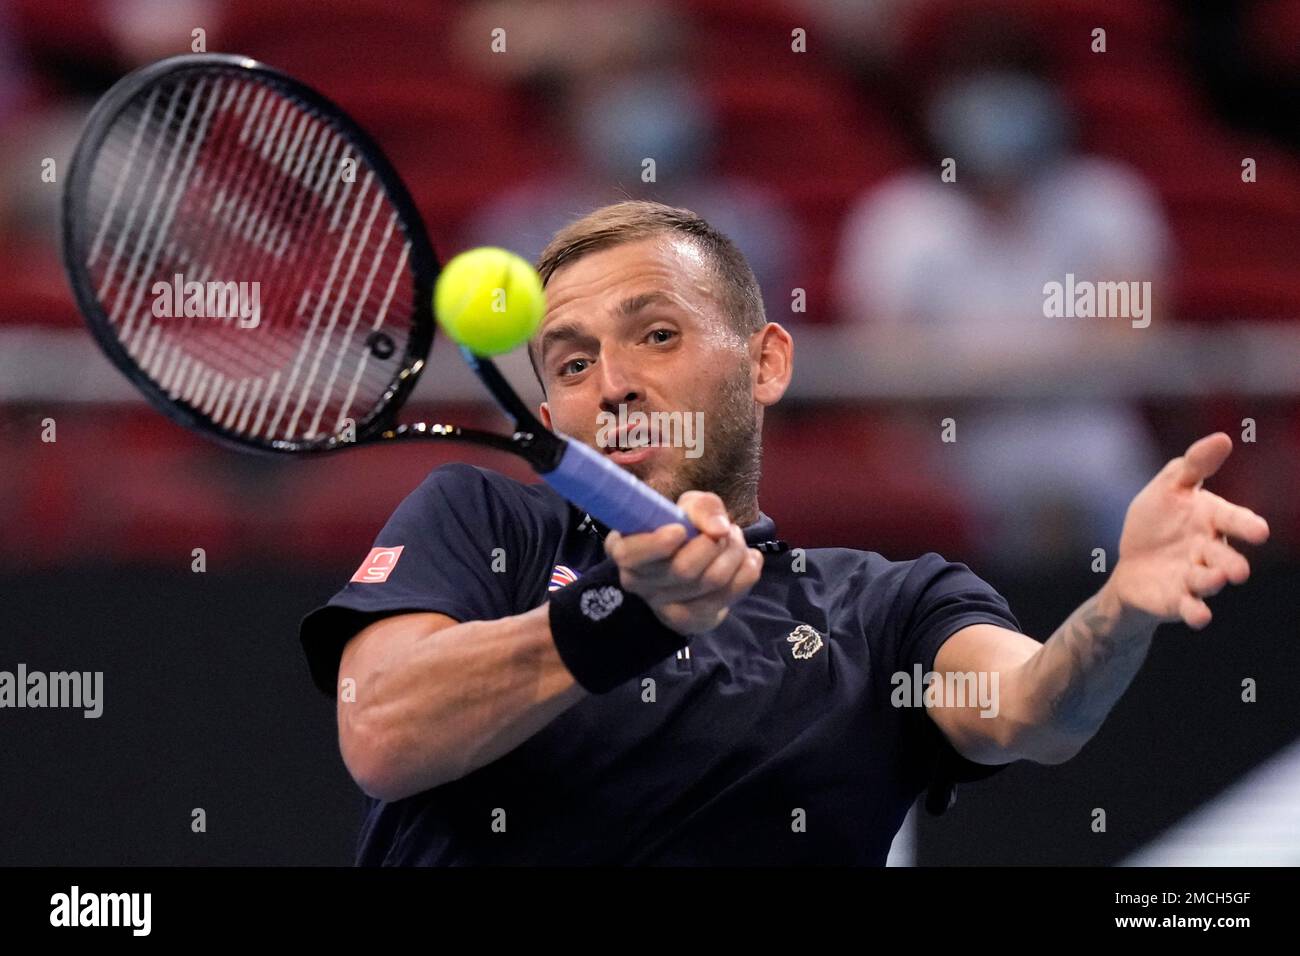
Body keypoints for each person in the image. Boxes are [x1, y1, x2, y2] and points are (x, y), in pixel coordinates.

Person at [299, 201, 1269, 865]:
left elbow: (1034, 710)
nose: (616, 381)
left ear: (765, 362)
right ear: (551, 417)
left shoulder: (890, 608)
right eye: (573, 360)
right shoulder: (483, 520)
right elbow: (382, 730)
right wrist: (624, 613)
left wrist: (1115, 610)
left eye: (658, 334)